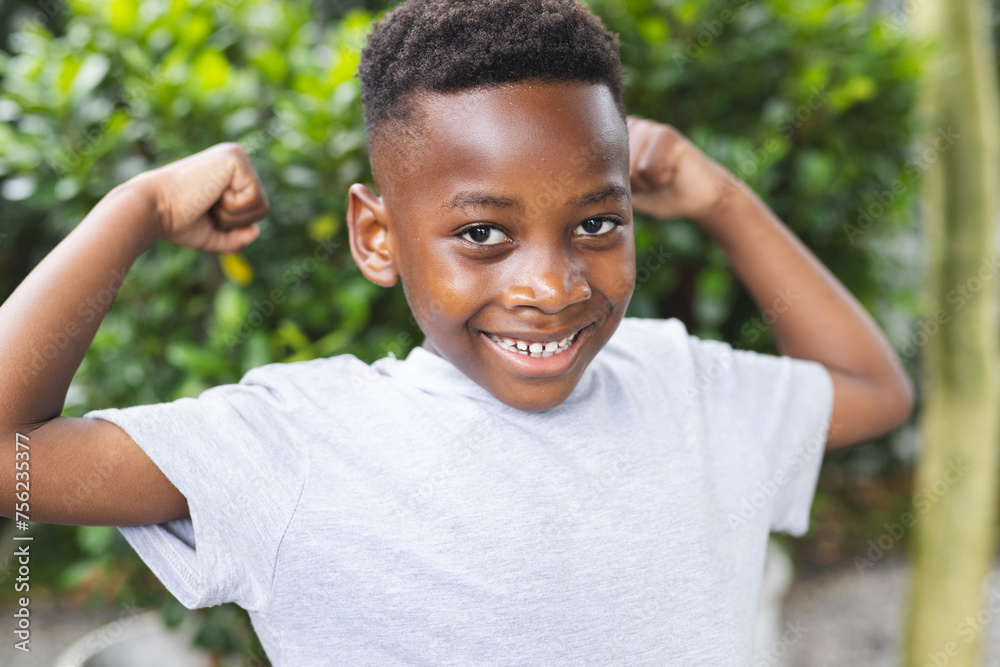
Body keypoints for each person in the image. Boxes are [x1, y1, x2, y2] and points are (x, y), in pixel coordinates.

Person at [0, 0, 914, 664]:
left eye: (598, 223)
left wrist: (723, 196)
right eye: (484, 234)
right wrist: (137, 206)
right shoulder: (299, 443)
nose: (552, 285)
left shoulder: (685, 384)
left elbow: (874, 392)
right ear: (377, 236)